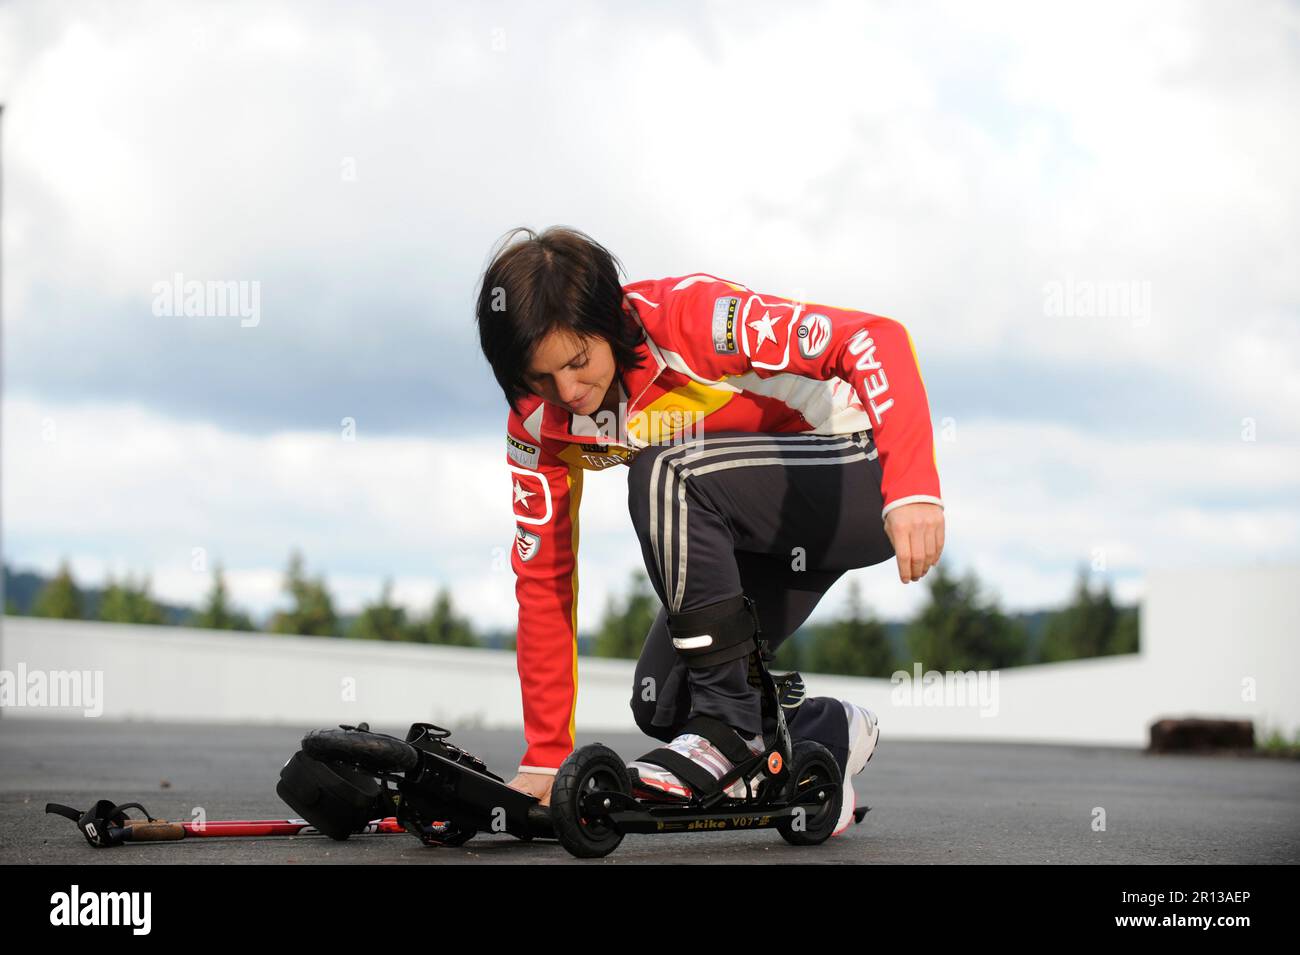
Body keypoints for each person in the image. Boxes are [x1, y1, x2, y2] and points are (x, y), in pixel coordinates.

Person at [474, 225, 944, 835]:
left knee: (665, 469)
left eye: (578, 361)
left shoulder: (692, 318)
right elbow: (543, 579)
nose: (568, 393)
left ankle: (732, 729)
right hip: (752, 522)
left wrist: (912, 487)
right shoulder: (537, 422)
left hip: (855, 473)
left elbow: (873, 338)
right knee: (660, 699)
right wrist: (545, 755)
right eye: (541, 378)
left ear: (608, 320)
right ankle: (820, 737)